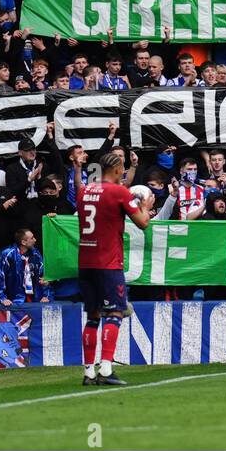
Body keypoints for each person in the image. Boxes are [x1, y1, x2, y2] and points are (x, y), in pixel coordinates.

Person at [75, 151, 151, 386]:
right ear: (117, 169)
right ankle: (106, 370)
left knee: (93, 316)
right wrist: (145, 205)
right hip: (108, 262)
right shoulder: (119, 192)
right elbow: (143, 223)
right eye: (123, 169)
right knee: (115, 313)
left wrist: (77, 170)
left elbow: (91, 203)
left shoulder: (85, 191)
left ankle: (89, 372)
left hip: (85, 262)